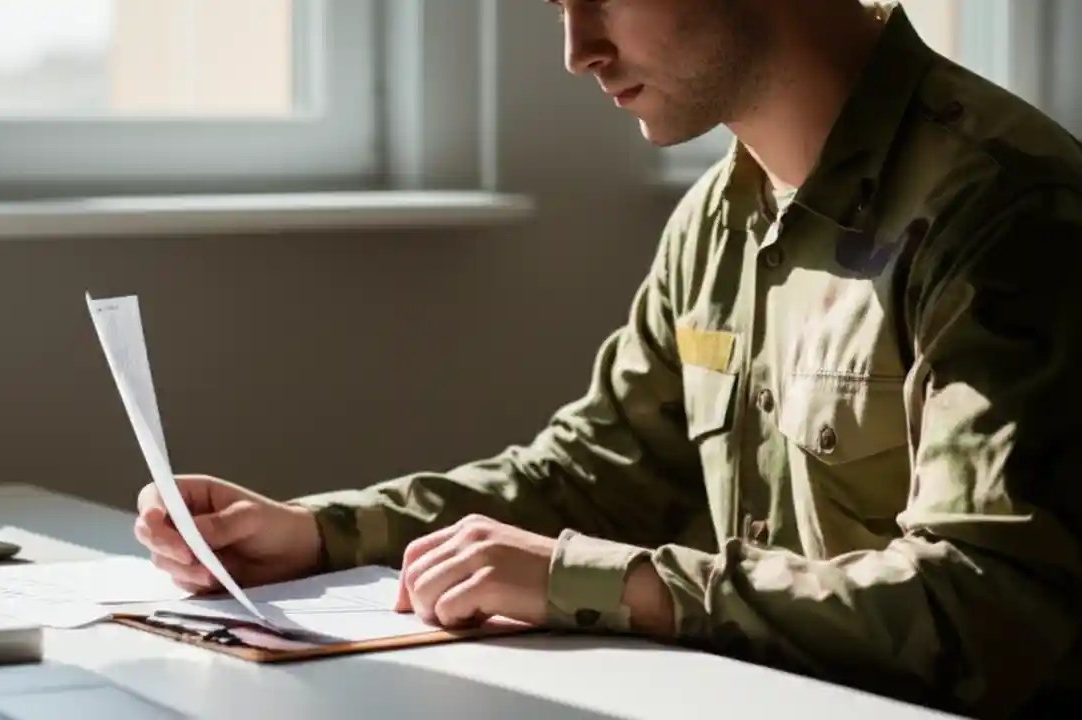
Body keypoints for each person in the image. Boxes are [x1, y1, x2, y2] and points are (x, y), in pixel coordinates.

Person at [135, 0, 1082, 715]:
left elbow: (991, 608)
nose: (578, 49)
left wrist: (602, 582)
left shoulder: (1008, 211)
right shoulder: (717, 221)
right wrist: (316, 533)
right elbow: (593, 475)